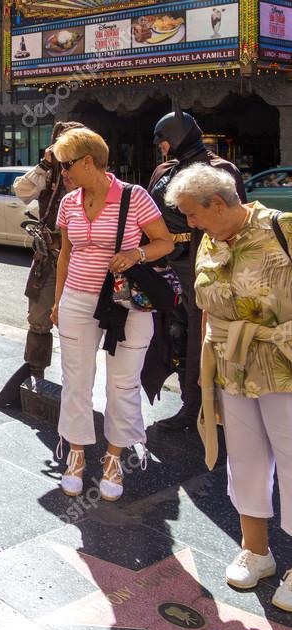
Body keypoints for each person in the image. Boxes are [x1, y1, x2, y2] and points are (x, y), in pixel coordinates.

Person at [163, 163, 292, 611]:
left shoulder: (283, 228)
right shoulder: (207, 242)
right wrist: (205, 373)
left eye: (192, 215)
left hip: (284, 367)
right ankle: (257, 552)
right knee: (245, 461)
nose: (189, 224)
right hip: (231, 369)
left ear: (217, 203)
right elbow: (206, 309)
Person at [50, 127, 173, 502]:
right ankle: (74, 455)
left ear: (89, 161)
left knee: (123, 383)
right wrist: (58, 301)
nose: (63, 173)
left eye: (67, 165)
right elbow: (65, 256)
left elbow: (164, 242)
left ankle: (115, 458)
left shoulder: (135, 198)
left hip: (126, 303)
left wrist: (136, 254)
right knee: (75, 379)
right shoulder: (69, 202)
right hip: (77, 300)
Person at [147, 109, 246, 432]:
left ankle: (199, 407)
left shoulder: (219, 170)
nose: (161, 146)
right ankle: (188, 402)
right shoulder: (164, 170)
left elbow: (233, 223)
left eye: (163, 140)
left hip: (199, 265)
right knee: (172, 334)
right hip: (165, 264)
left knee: (200, 335)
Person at [0, 121, 85, 407]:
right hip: (50, 255)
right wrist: (45, 163)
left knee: (80, 322)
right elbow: (22, 192)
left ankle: (78, 383)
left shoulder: (90, 168)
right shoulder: (50, 169)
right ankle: (35, 373)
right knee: (39, 317)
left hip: (82, 258)